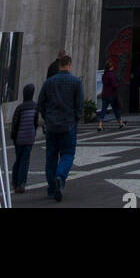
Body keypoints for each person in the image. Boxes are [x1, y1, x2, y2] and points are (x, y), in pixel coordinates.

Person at [37, 53, 84, 200]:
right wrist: (76, 118)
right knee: (68, 153)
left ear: (59, 65)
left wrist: (46, 117)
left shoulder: (49, 82)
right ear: (69, 65)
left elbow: (41, 103)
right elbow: (79, 104)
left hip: (52, 124)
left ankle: (52, 188)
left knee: (51, 156)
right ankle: (60, 176)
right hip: (68, 124)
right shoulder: (76, 82)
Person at [10, 83, 40, 194]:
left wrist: (13, 136)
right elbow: (35, 123)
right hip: (29, 138)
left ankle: (15, 181)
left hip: (19, 139)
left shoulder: (20, 108)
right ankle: (21, 183)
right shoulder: (35, 107)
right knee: (25, 160)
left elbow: (15, 123)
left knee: (18, 159)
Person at [98, 58, 125, 131]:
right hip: (112, 95)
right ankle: (120, 123)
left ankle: (100, 125)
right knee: (116, 109)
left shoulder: (104, 75)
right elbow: (114, 85)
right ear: (111, 67)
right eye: (112, 66)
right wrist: (119, 84)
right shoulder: (111, 74)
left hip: (104, 94)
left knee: (103, 110)